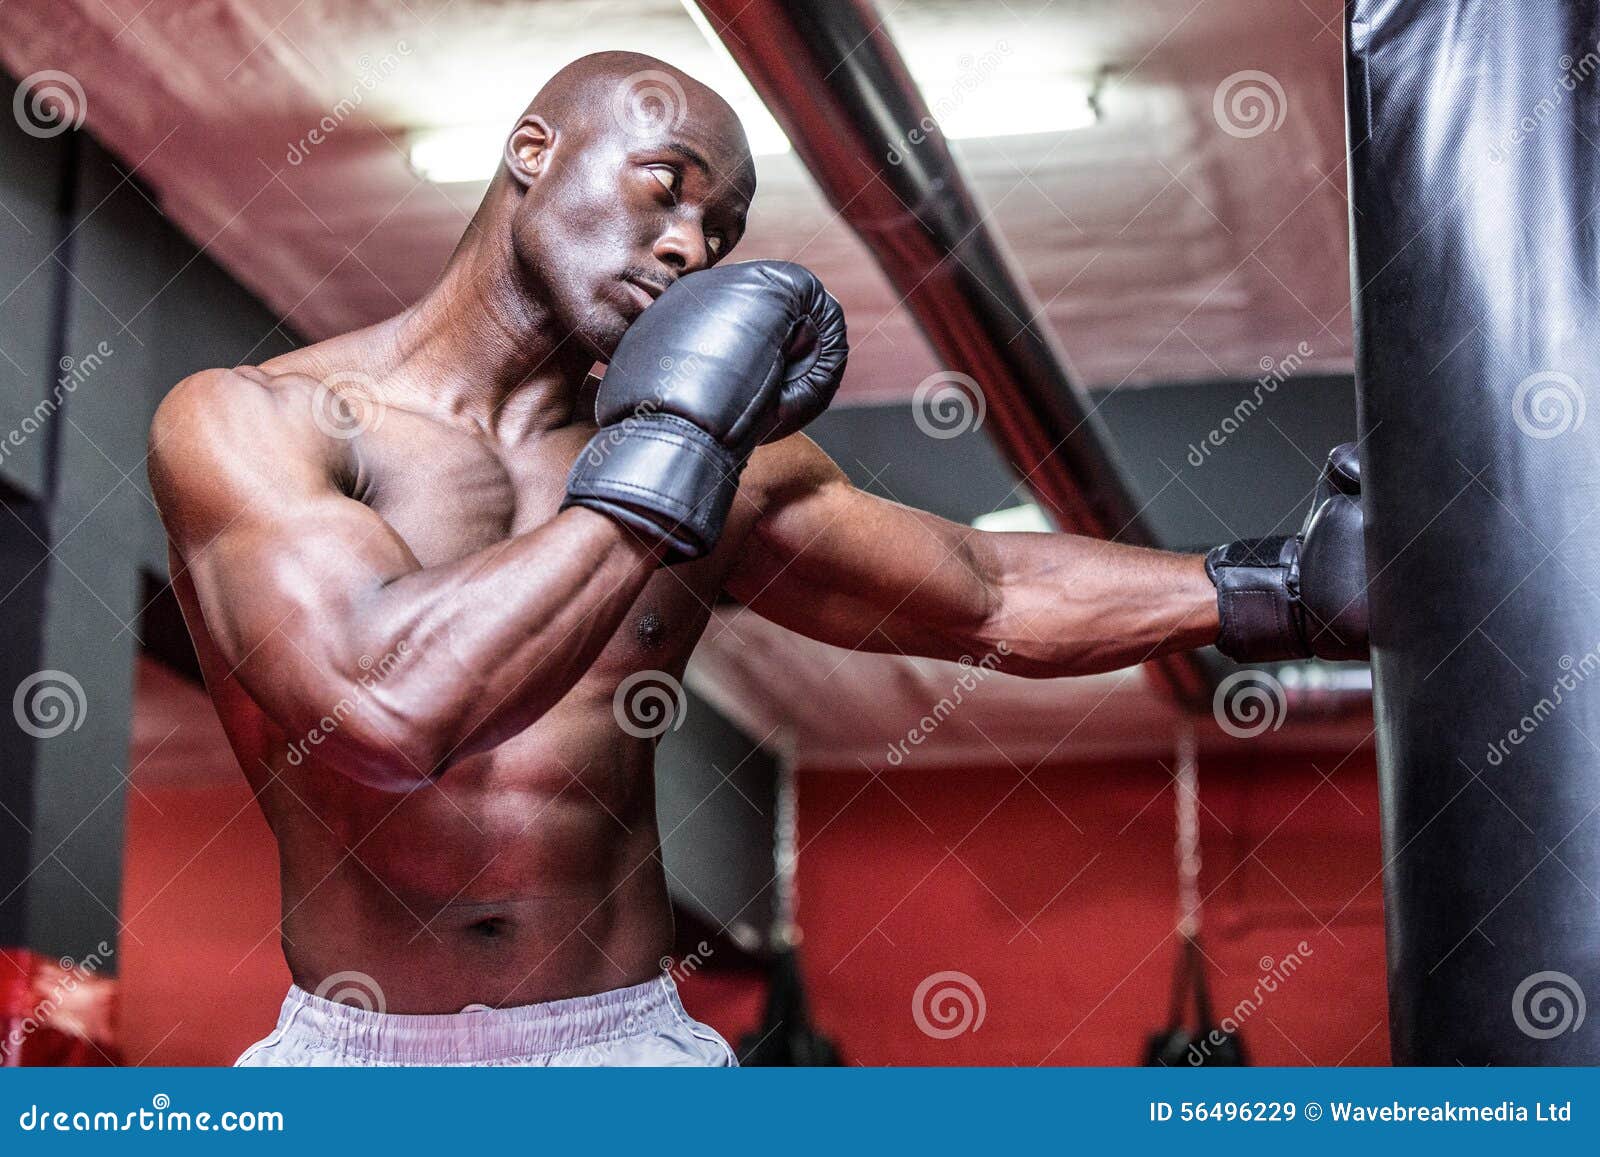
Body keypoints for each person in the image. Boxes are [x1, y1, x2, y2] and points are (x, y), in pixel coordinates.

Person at [147, 50, 1366, 1067]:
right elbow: (385, 706)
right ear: (532, 152)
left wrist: (1277, 587)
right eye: (662, 186)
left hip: (621, 1051)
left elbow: (989, 591)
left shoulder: (714, 469)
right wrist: (671, 454)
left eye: (716, 230)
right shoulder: (258, 422)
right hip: (359, 1061)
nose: (686, 245)